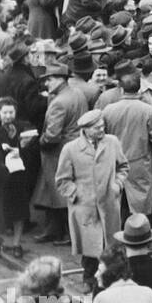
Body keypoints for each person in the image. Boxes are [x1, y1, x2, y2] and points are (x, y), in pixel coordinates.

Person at [55, 110, 129, 293]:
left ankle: (112, 279)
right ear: (86, 130)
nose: (101, 130)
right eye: (97, 128)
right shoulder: (70, 149)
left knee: (110, 246)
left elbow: (123, 166)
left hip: (109, 203)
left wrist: (117, 185)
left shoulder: (112, 142)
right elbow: (62, 180)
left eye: (103, 126)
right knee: (89, 248)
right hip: (84, 207)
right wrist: (76, 193)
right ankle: (89, 279)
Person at [33, 61, 88, 246]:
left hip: (58, 152)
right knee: (53, 192)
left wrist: (37, 142)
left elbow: (52, 136)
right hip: (76, 147)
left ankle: (67, 233)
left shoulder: (59, 102)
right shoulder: (77, 93)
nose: (46, 83)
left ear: (60, 79)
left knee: (60, 193)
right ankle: (54, 230)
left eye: (49, 79)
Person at [99, 69, 152, 219]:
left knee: (116, 198)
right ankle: (139, 232)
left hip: (114, 160)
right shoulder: (148, 110)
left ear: (121, 89)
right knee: (141, 200)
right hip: (141, 159)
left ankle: (118, 231)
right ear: (138, 88)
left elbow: (101, 135)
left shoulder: (108, 110)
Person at [0, 96, 39, 258]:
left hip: (18, 175)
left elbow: (34, 149)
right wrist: (2, 166)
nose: (8, 115)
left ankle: (17, 243)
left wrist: (22, 151)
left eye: (11, 112)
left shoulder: (24, 127)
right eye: (5, 112)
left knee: (19, 211)